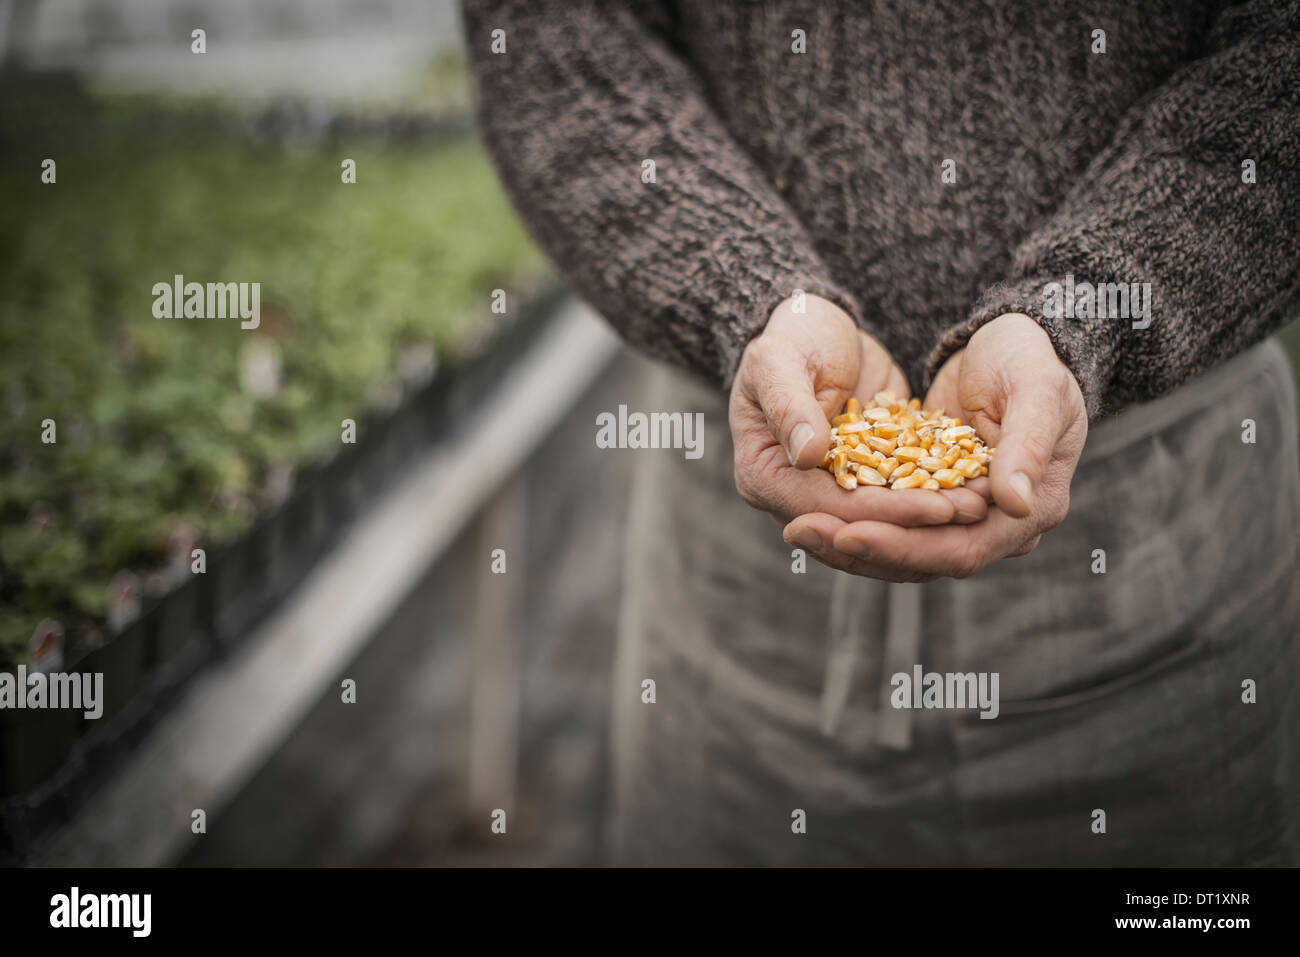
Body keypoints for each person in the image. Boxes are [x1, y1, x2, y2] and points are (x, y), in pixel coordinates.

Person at [463, 0, 1300, 864]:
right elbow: (553, 35)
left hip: (1159, 552)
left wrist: (1082, 314)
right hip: (749, 539)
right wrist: (747, 290)